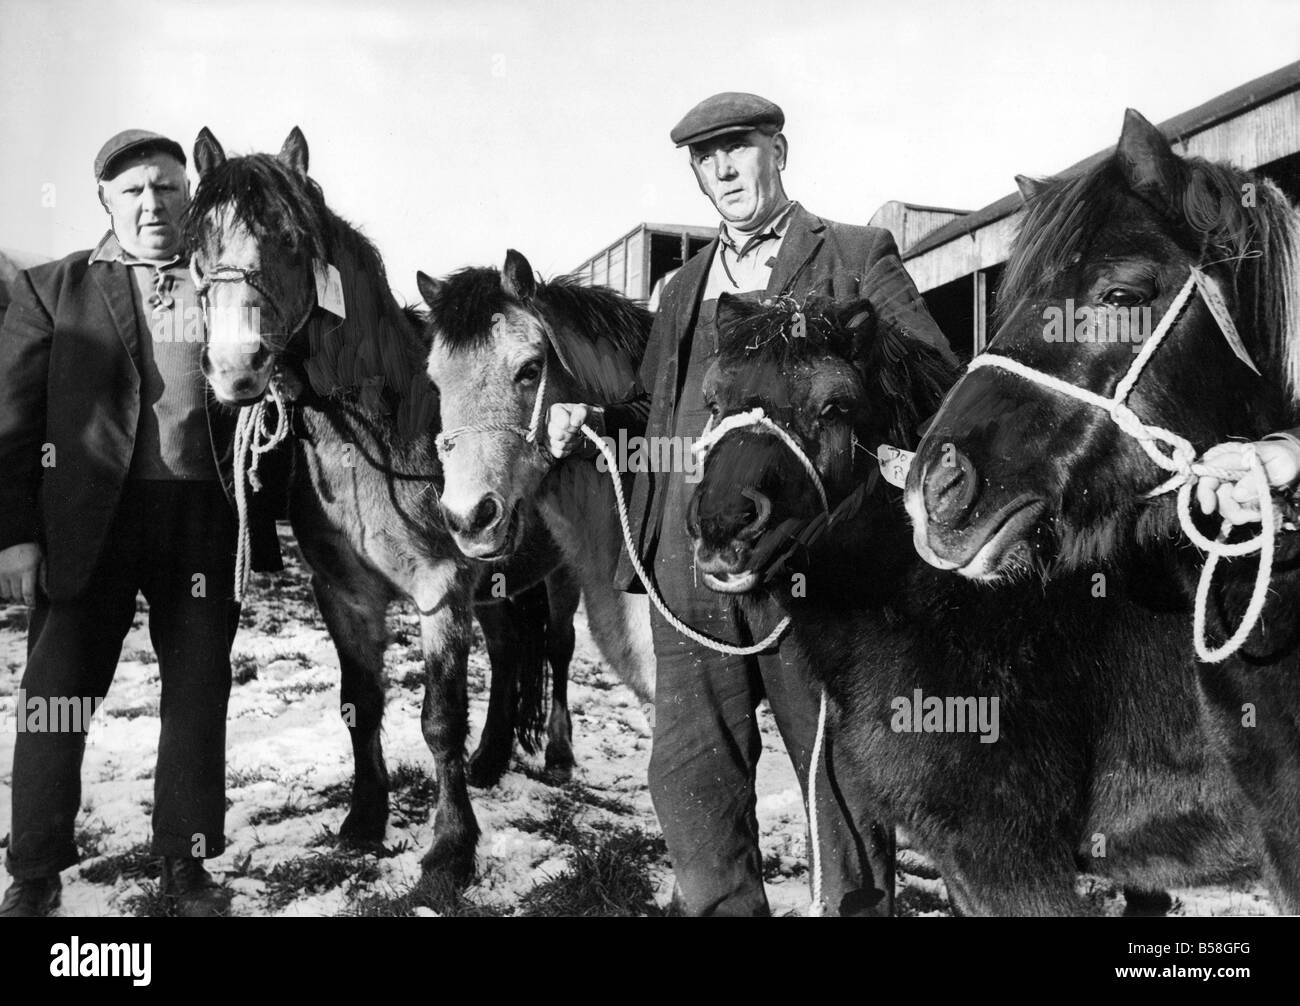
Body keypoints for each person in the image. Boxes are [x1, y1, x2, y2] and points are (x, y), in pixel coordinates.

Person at [547, 92, 954, 916]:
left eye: (738, 148)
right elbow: (650, 408)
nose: (724, 168)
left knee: (836, 775)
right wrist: (591, 417)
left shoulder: (852, 252)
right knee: (692, 773)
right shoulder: (683, 287)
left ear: (779, 150)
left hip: (817, 568)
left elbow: (935, 380)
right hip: (690, 568)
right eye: (706, 157)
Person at [0, 129, 280, 917]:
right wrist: (14, 534)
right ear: (106, 202)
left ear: (189, 194)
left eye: (165, 186)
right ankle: (34, 870)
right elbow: (11, 423)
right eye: (134, 191)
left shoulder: (228, 281)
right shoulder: (53, 289)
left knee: (197, 694)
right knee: (56, 698)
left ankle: (185, 867)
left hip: (201, 519)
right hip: (87, 521)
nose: (153, 203)